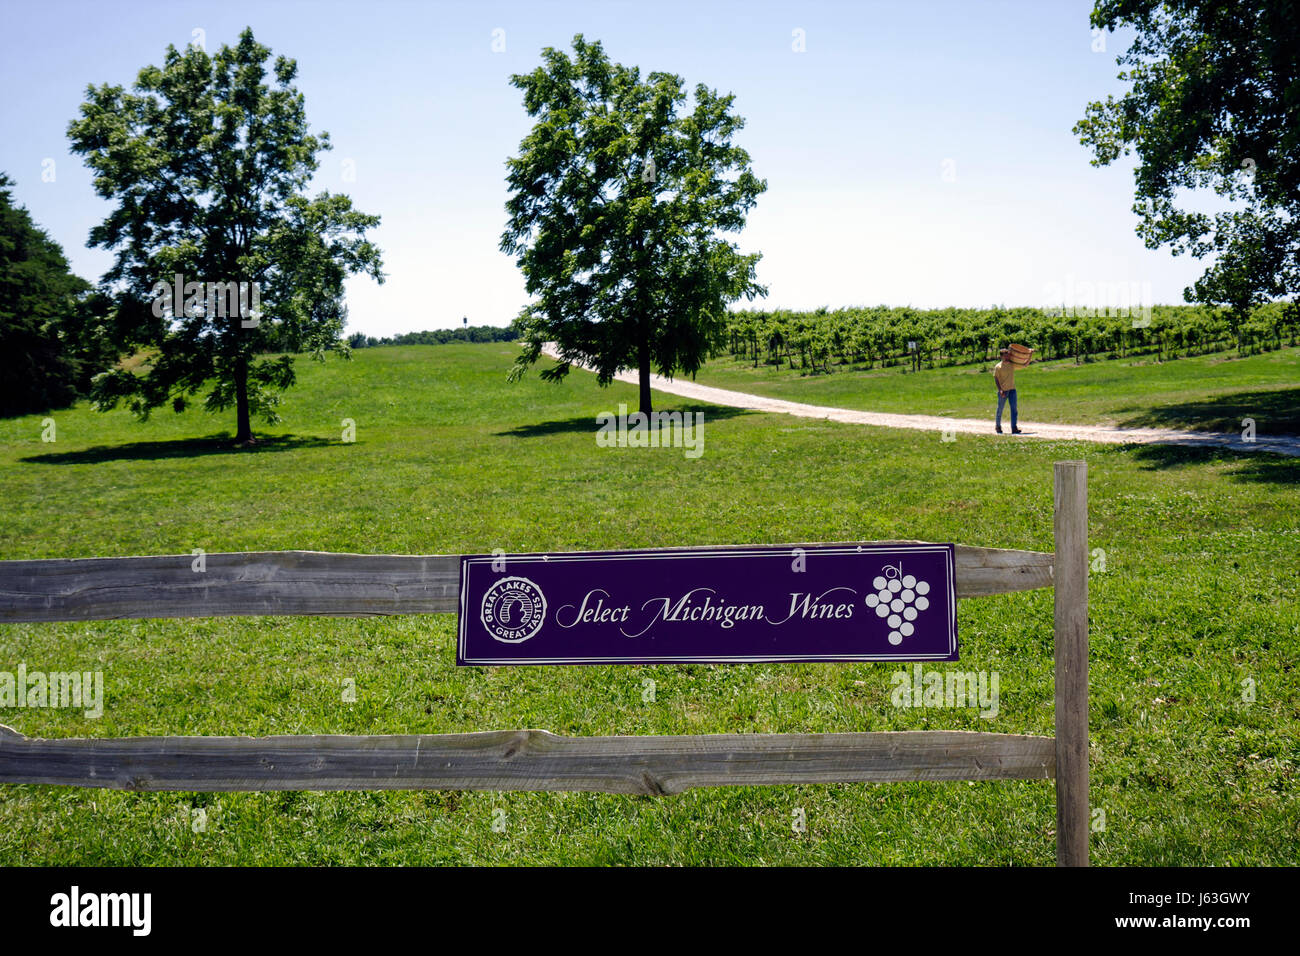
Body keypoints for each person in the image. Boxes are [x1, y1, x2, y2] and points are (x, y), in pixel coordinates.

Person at [993, 348, 1024, 434]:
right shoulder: (998, 367)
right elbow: (996, 379)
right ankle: (998, 426)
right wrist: (1000, 390)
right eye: (1005, 356)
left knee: (1014, 409)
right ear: (1001, 356)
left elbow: (1024, 364)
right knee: (1000, 409)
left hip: (1012, 390)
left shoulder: (1012, 365)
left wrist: (1030, 355)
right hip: (1003, 390)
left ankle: (1014, 428)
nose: (1007, 357)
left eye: (1008, 355)